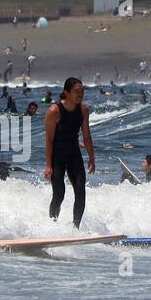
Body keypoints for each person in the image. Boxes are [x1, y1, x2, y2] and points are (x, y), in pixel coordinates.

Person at [44, 77, 95, 227]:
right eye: (76, 92)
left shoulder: (83, 110)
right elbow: (49, 140)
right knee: (59, 193)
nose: (80, 94)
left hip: (74, 155)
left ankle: (75, 228)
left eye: (82, 91)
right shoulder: (54, 111)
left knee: (81, 192)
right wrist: (48, 166)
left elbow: (86, 136)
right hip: (57, 156)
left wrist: (91, 158)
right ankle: (52, 224)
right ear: (66, 93)